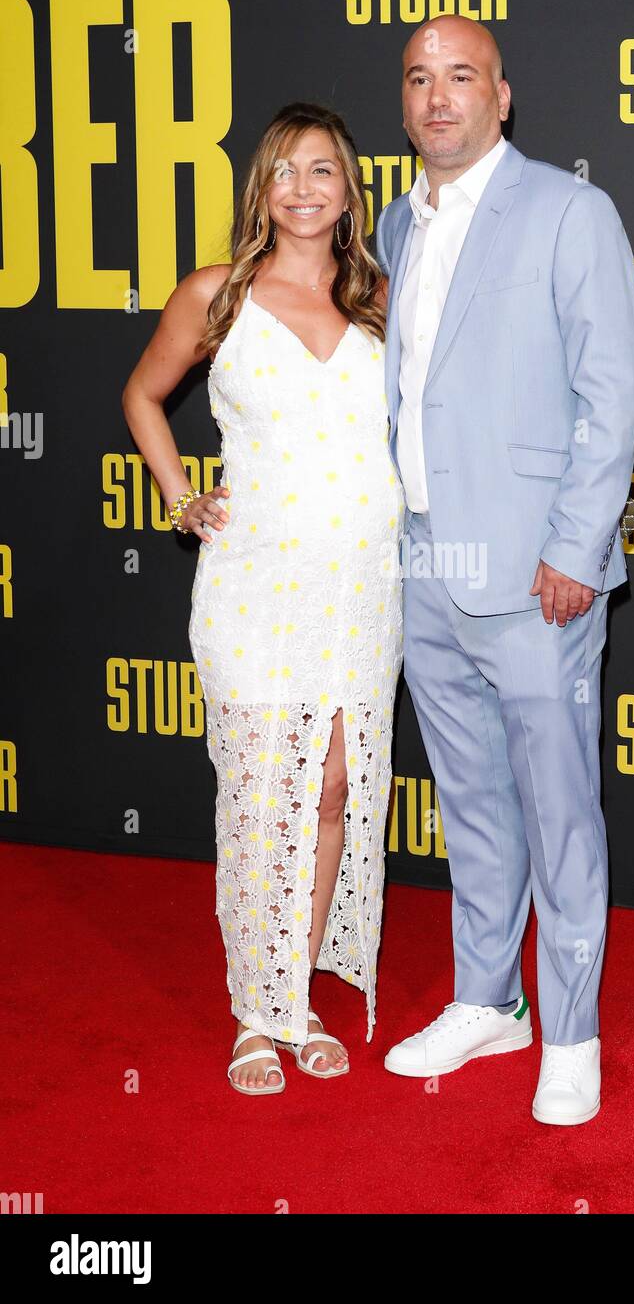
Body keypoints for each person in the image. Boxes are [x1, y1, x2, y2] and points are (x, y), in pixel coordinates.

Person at [376, 16, 634, 1124]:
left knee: (557, 804)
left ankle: (570, 1028)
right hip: (425, 560)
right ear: (402, 102)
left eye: (460, 78)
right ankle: (488, 999)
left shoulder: (569, 211)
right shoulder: (394, 220)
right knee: (470, 800)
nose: (437, 98)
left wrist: (573, 548)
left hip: (535, 573)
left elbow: (611, 392)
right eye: (417, 80)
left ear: (502, 95)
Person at [122, 104, 403, 1095]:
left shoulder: (378, 298)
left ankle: (299, 997)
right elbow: (142, 395)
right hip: (255, 588)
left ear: (346, 190)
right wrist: (178, 496)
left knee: (331, 791)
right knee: (258, 801)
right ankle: (256, 1015)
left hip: (364, 586)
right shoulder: (216, 295)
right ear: (262, 190)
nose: (301, 189)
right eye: (283, 171)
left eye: (321, 171)